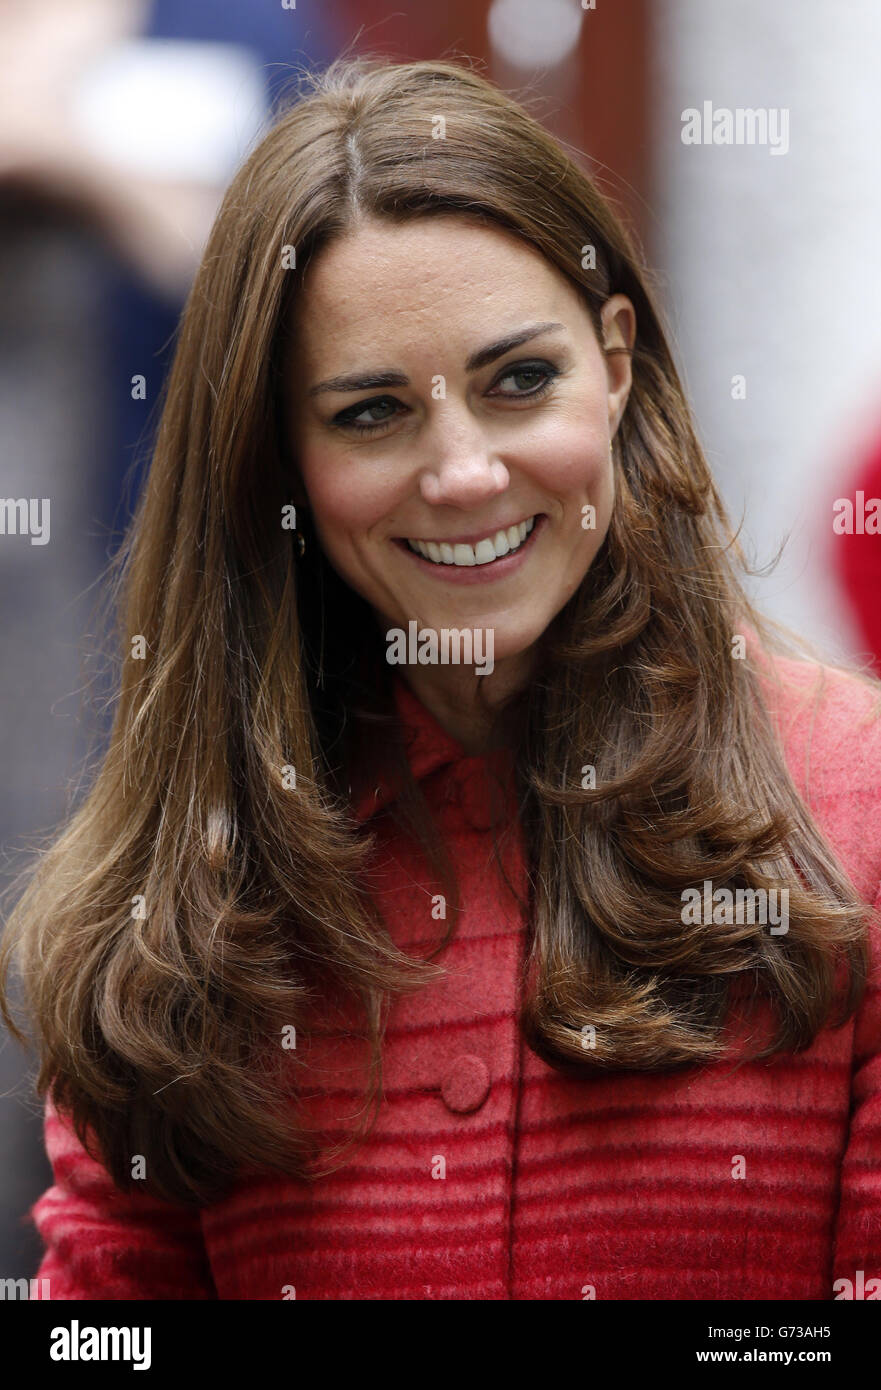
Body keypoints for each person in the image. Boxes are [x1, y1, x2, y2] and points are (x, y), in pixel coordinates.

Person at [2, 54, 880, 1302]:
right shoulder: (181, 894)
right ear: (278, 455)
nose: (463, 473)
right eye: (371, 413)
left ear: (615, 363)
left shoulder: (857, 813)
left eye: (518, 380)